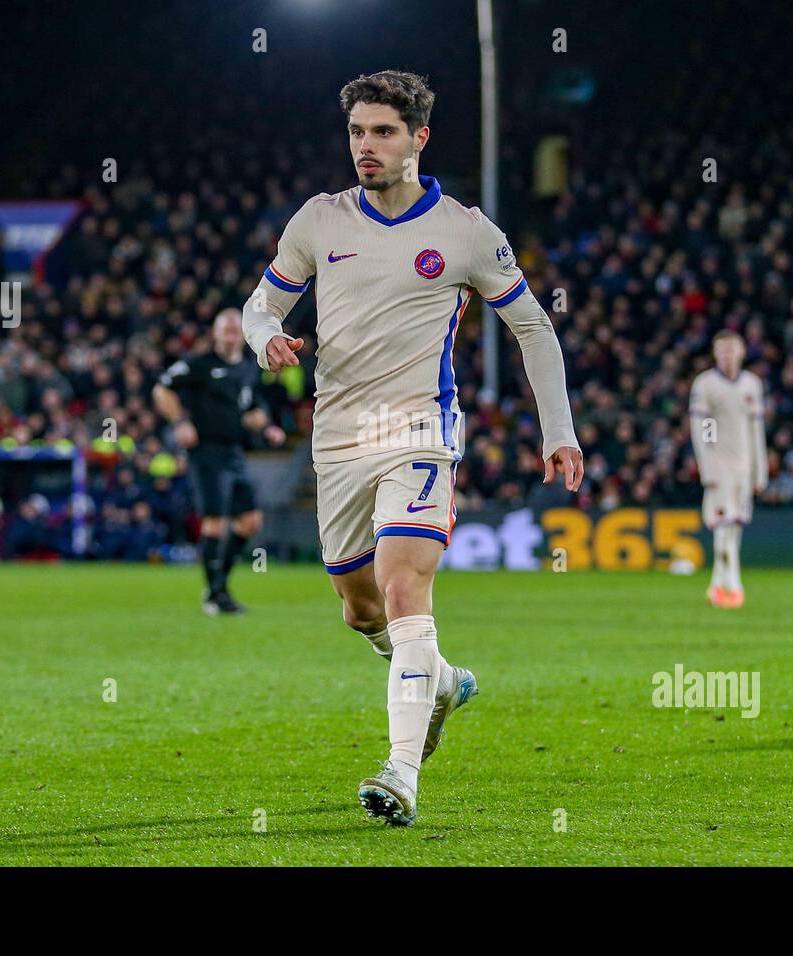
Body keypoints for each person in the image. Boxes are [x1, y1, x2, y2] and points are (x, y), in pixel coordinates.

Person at [240, 70, 582, 826]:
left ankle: (400, 774)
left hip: (420, 433)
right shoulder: (320, 221)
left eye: (383, 132)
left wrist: (557, 428)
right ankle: (443, 680)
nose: (366, 145)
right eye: (358, 131)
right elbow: (259, 302)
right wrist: (266, 336)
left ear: (419, 138)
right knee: (362, 614)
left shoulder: (465, 232)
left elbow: (533, 326)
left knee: (403, 591)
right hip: (337, 440)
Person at [153, 308, 285, 615]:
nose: (229, 335)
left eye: (234, 330)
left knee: (250, 521)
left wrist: (268, 428)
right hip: (206, 453)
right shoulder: (199, 364)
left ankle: (219, 587)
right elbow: (162, 389)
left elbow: (249, 407)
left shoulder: (248, 369)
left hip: (234, 452)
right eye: (224, 330)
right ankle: (215, 595)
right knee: (215, 522)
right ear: (215, 333)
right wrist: (180, 422)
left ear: (242, 334)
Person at [688, 330, 768, 609]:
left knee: (735, 527)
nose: (728, 354)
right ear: (714, 353)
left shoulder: (752, 384)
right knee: (723, 525)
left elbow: (756, 430)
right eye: (722, 349)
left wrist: (761, 469)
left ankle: (716, 587)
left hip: (744, 467)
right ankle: (734, 586)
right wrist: (706, 464)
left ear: (743, 352)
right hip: (719, 464)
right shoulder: (705, 384)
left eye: (732, 349)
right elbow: (700, 428)